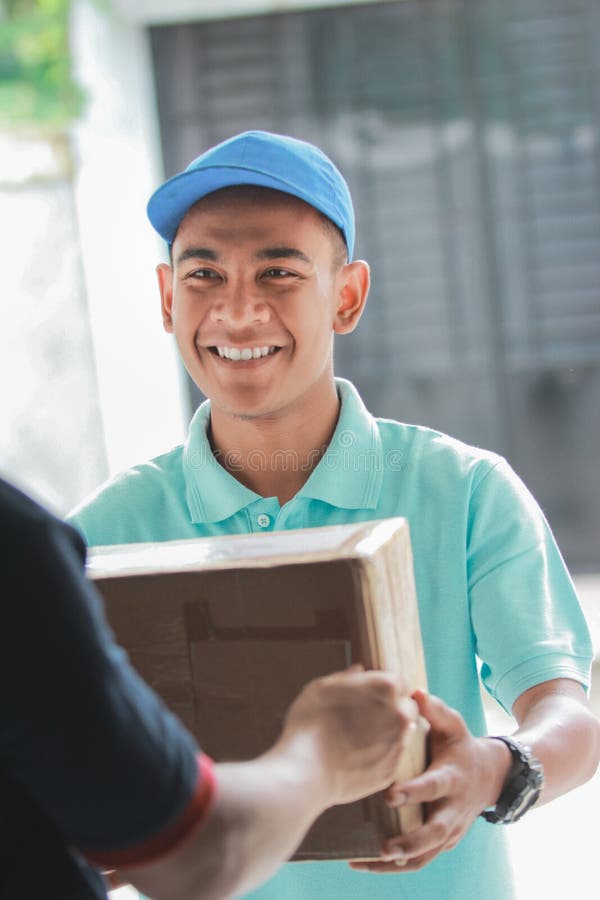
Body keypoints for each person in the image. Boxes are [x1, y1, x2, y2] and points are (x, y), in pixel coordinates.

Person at [69, 131, 600, 900]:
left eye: (278, 273)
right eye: (204, 275)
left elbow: (570, 719)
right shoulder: (101, 535)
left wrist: (494, 768)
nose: (238, 310)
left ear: (346, 295)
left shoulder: (467, 491)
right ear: (165, 299)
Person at [0, 475, 418, 900]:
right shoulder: (33, 540)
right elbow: (198, 858)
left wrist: (488, 767)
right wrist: (327, 753)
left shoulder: (454, 481)